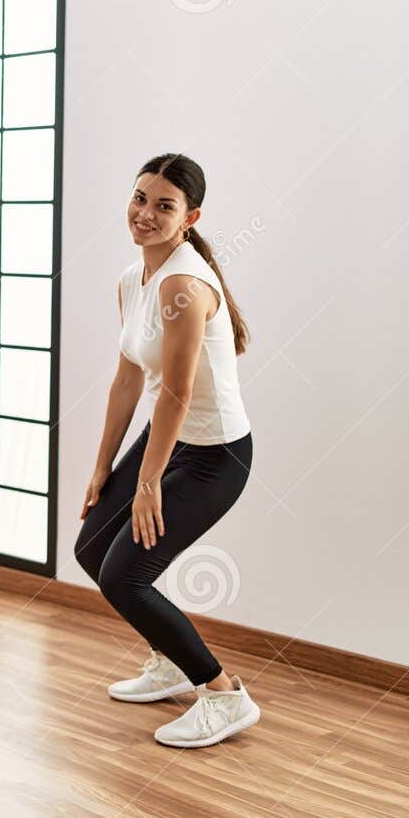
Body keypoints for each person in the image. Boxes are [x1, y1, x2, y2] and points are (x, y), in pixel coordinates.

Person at [74, 152, 259, 748]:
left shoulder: (184, 283)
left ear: (190, 216)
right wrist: (104, 466)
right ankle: (172, 661)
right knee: (91, 548)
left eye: (164, 206)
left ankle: (224, 692)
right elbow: (129, 379)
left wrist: (148, 483)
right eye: (139, 198)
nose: (145, 214)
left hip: (214, 456)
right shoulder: (135, 279)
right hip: (168, 444)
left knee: (126, 577)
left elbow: (176, 394)